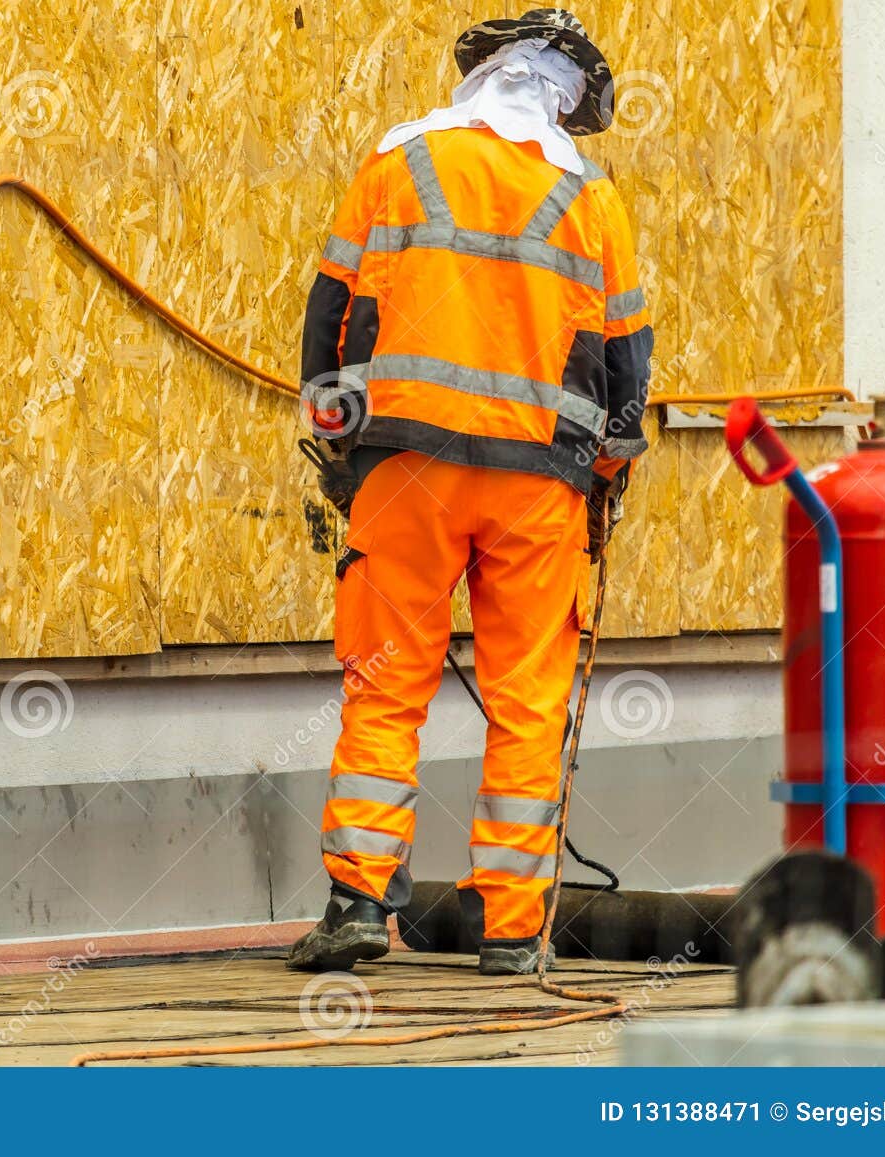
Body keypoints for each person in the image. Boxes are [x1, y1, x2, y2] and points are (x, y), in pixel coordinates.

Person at [290, 8, 653, 975]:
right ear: (568, 105)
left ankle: (360, 900)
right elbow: (625, 369)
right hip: (540, 482)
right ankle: (511, 929)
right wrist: (608, 468)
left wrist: (336, 436)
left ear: (482, 77)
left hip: (404, 467)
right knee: (530, 696)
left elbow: (332, 314)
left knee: (385, 681)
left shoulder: (396, 163)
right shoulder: (592, 200)